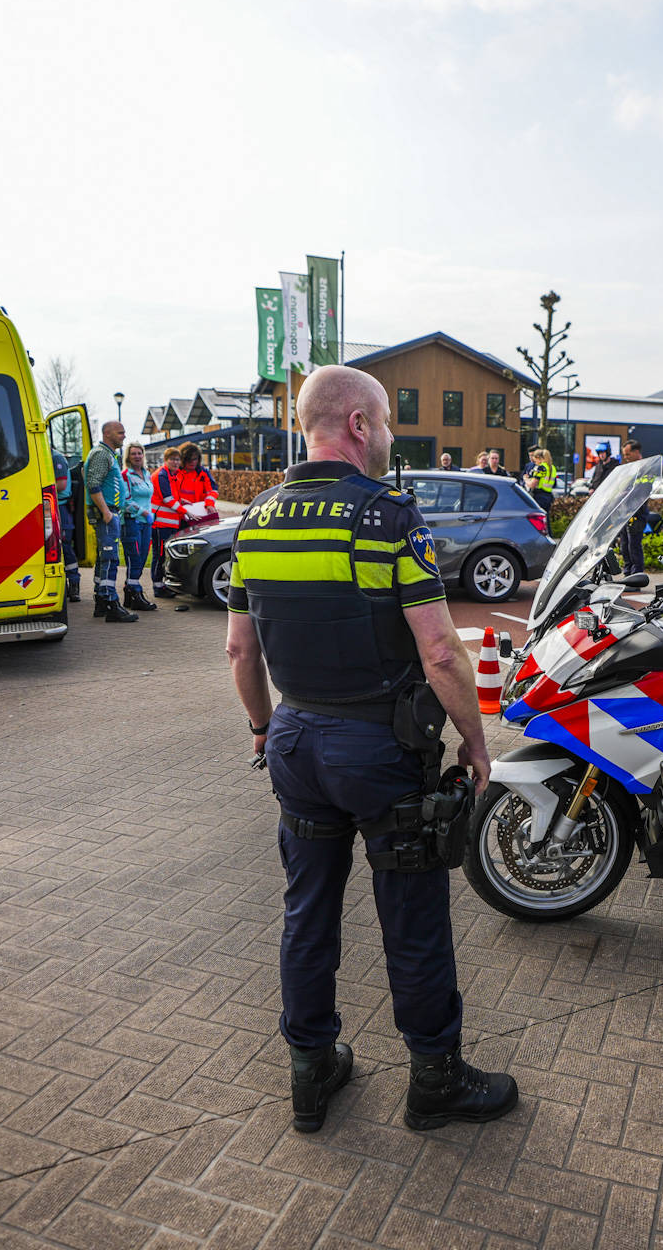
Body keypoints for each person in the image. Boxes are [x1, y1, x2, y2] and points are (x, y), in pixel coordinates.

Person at [225, 364, 519, 1135]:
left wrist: (263, 729)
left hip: (296, 743)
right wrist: (475, 741)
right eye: (385, 423)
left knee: (307, 910)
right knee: (413, 917)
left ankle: (311, 1069)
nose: (389, 437)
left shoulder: (255, 520)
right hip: (382, 751)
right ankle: (435, 1079)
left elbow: (237, 651)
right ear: (358, 424)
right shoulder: (387, 517)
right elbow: (442, 652)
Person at [83, 422, 139, 623]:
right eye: (120, 432)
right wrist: (106, 511)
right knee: (110, 558)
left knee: (104, 558)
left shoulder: (108, 454)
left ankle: (101, 601)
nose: (124, 436)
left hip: (111, 512)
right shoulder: (101, 454)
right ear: (107, 434)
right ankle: (110, 602)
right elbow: (93, 483)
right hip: (106, 514)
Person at [118, 441, 157, 612]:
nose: (137, 456)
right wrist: (144, 513)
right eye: (133, 454)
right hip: (132, 522)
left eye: (139, 453)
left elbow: (148, 497)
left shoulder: (147, 474)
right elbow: (124, 501)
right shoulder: (125, 475)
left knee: (141, 559)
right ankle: (136, 594)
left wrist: (150, 513)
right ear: (128, 456)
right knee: (134, 560)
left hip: (145, 524)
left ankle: (130, 592)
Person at [150, 447, 185, 594]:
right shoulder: (162, 475)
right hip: (160, 524)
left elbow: (174, 497)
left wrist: (185, 502)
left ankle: (163, 585)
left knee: (164, 555)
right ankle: (158, 587)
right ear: (166, 461)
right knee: (159, 555)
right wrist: (186, 511)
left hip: (169, 523)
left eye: (177, 459)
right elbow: (168, 499)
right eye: (172, 459)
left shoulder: (172, 475)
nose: (175, 462)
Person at [50, 447, 82, 604]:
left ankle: (74, 584)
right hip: (52, 507)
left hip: (60, 508)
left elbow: (61, 485)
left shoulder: (56, 458)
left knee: (65, 547)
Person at [618, 439, 649, 574]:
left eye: (628, 454)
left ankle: (636, 576)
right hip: (625, 512)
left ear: (637, 452)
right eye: (624, 455)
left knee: (634, 547)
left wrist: (628, 492)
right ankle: (627, 574)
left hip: (637, 513)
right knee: (624, 546)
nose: (626, 458)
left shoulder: (645, 469)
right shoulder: (629, 469)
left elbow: (645, 489)